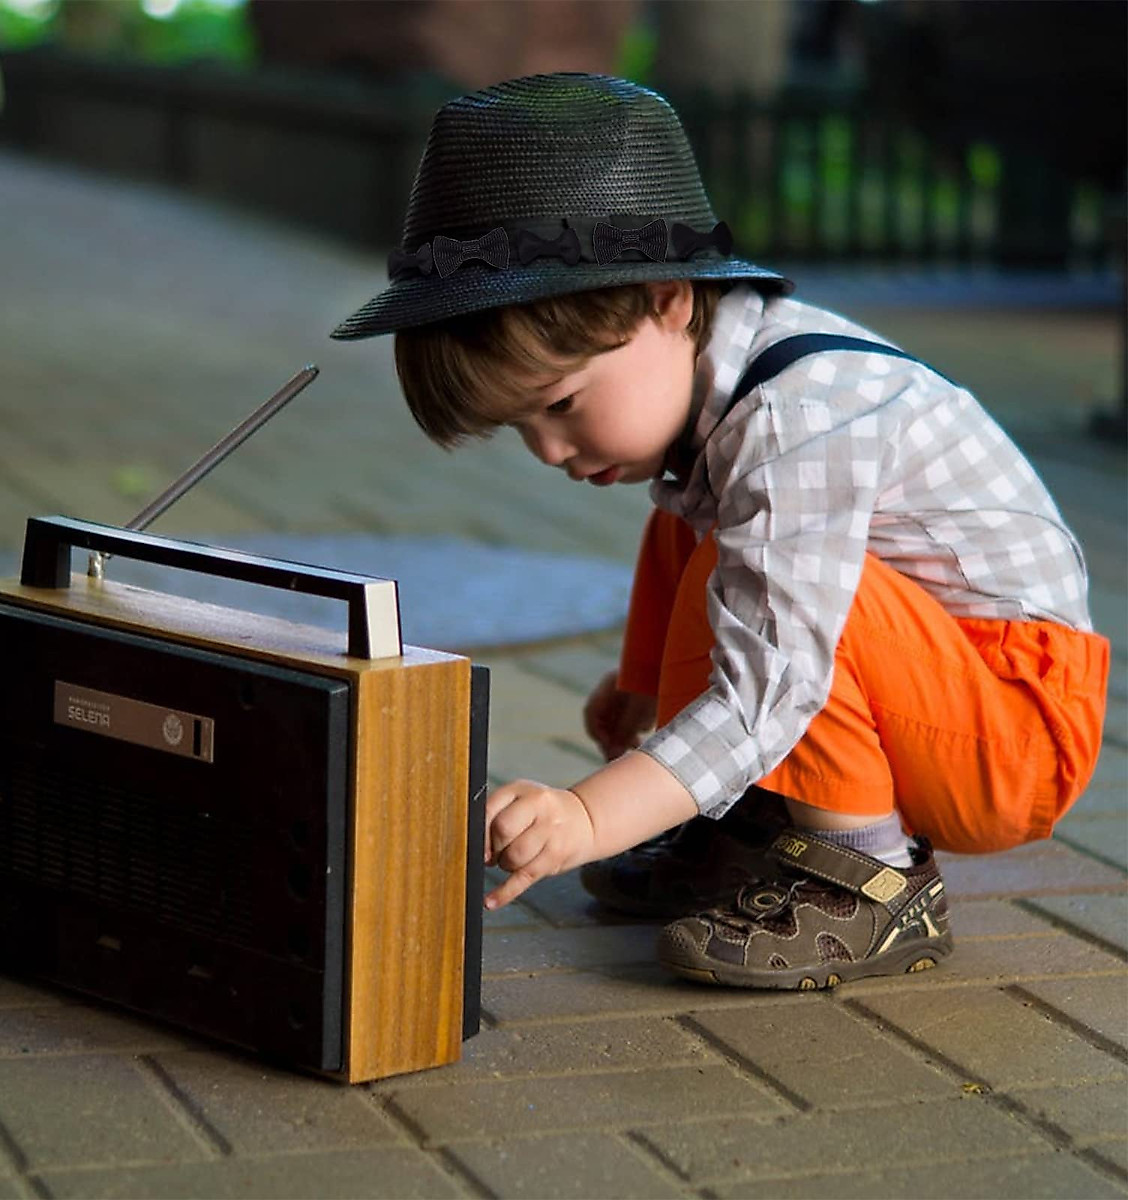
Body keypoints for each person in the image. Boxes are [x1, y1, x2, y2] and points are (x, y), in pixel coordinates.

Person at [332, 73, 1109, 990]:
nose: (548, 452)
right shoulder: (727, 390)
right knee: (704, 532)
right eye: (518, 428)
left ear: (666, 299)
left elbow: (774, 681)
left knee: (795, 590)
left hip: (1014, 733)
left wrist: (590, 816)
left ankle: (872, 877)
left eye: (562, 403)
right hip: (943, 687)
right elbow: (706, 564)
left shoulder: (793, 424)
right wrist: (647, 697)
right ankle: (751, 826)